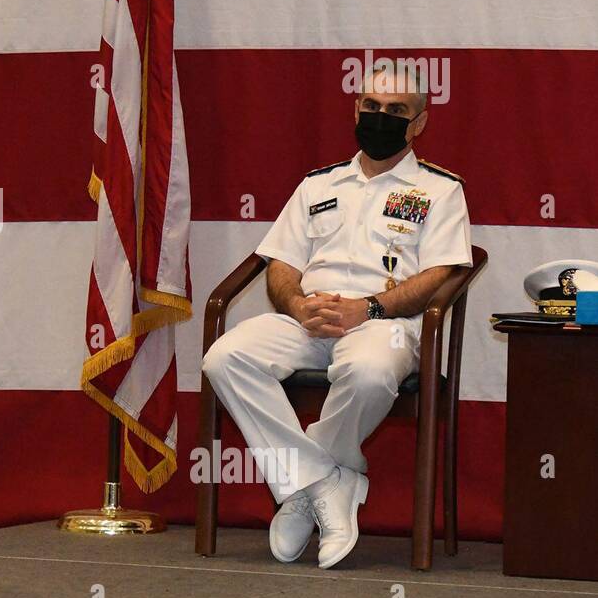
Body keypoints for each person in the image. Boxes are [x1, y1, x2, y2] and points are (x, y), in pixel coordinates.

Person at [200, 60, 472, 568]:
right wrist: (299, 304)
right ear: (355, 108)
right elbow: (280, 263)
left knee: (368, 371)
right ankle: (323, 480)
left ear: (419, 123)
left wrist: (368, 308)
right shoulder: (317, 185)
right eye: (371, 106)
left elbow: (440, 274)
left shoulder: (440, 190)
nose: (380, 117)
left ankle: (305, 486)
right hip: (308, 319)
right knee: (225, 358)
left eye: (396, 111)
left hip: (383, 325)